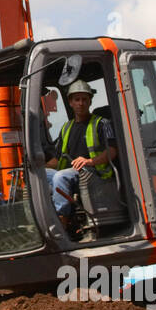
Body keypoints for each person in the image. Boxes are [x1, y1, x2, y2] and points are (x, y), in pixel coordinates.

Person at [45, 80, 117, 227]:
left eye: (84, 99)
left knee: (60, 176)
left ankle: (62, 220)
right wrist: (39, 166)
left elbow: (112, 151)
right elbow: (58, 159)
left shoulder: (102, 123)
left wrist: (88, 161)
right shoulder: (66, 127)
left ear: (90, 101)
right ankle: (43, 218)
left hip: (93, 173)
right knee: (39, 175)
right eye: (77, 99)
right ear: (70, 102)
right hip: (72, 172)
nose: (81, 103)